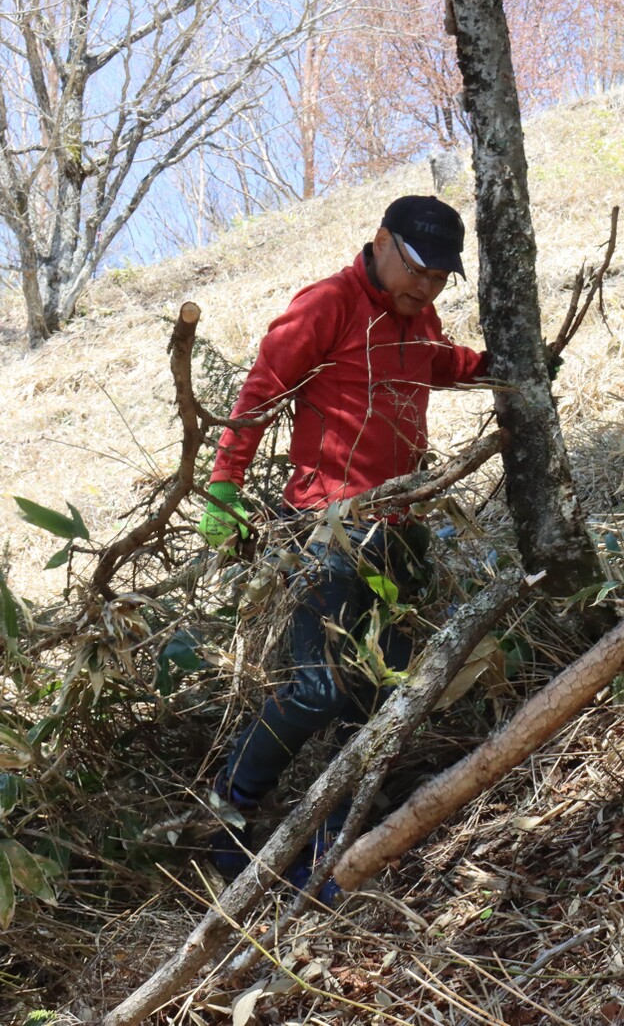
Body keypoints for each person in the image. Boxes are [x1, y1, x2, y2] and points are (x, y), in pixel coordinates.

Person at [196, 195, 488, 899]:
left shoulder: (417, 317)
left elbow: (434, 362)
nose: (426, 287)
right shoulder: (327, 304)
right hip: (324, 526)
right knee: (317, 687)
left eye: (440, 277)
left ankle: (334, 842)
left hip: (398, 528)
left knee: (381, 692)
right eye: (417, 269)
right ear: (381, 241)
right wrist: (225, 486)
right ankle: (225, 818)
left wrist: (493, 366)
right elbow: (261, 391)